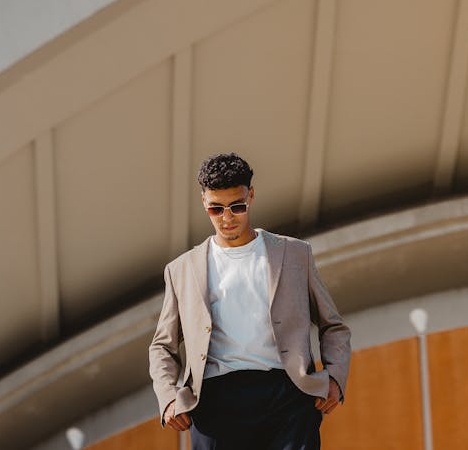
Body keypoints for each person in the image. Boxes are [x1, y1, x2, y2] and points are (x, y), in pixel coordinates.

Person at [148, 152, 351, 449]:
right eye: (216, 209)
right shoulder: (182, 270)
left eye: (237, 206)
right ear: (204, 201)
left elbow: (333, 326)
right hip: (215, 401)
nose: (227, 218)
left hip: (287, 395)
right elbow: (162, 346)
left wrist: (334, 377)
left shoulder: (294, 254)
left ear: (251, 196)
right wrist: (168, 397)